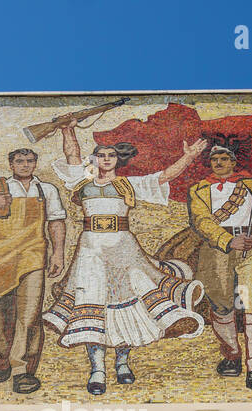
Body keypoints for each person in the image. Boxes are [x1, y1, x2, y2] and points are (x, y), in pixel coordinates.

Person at [42, 120, 207, 395]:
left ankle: (122, 362)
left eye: (111, 155)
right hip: (91, 250)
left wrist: (188, 157)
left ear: (118, 159)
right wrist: (67, 128)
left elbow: (163, 177)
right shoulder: (82, 181)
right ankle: (97, 368)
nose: (106, 159)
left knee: (129, 305)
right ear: (93, 159)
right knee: (92, 302)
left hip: (123, 249)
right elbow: (72, 155)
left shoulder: (129, 184)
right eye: (101, 155)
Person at [186, 139, 252, 390]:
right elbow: (201, 221)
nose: (220, 163)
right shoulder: (199, 189)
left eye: (224, 158)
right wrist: (227, 240)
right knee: (221, 302)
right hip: (217, 248)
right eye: (215, 159)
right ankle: (232, 353)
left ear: (233, 162)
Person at [0, 148, 67, 394]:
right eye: (20, 161)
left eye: (30, 161)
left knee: (29, 316)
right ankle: (0, 365)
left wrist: (58, 253)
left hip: (33, 257)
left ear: (35, 163)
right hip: (1, 258)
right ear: (11, 164)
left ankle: (23, 371)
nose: (25, 165)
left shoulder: (46, 190)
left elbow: (56, 223)